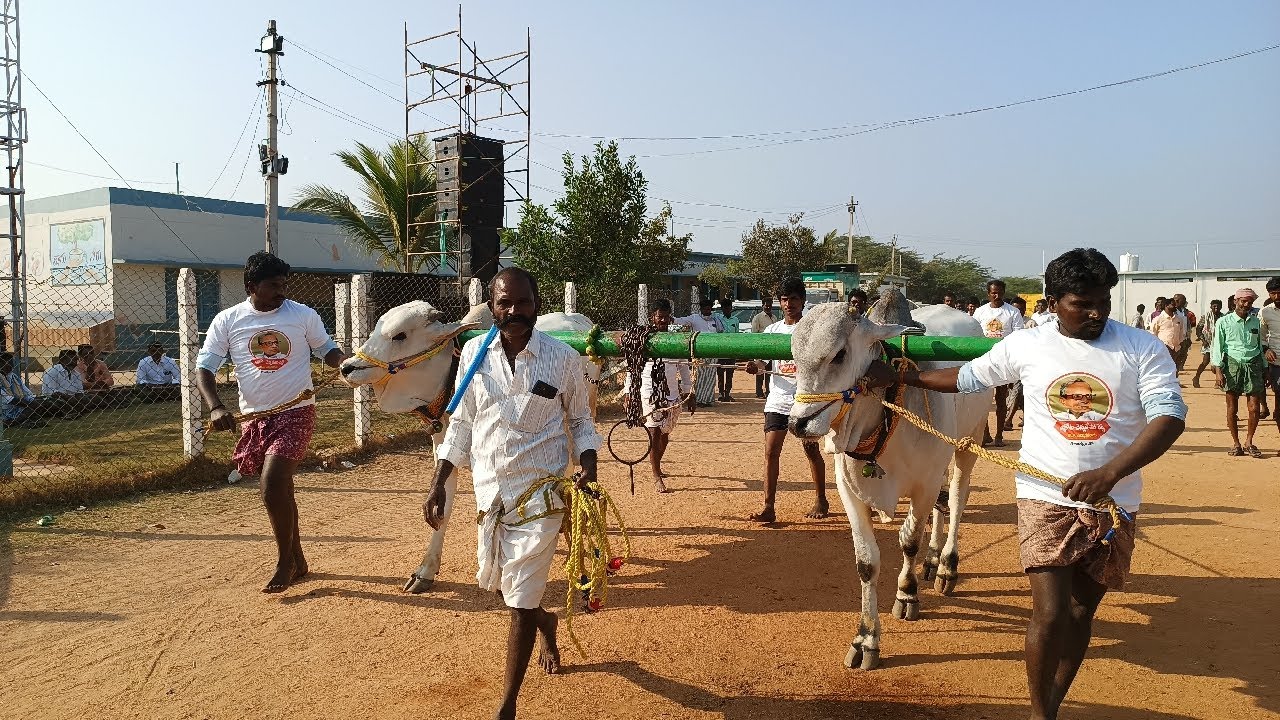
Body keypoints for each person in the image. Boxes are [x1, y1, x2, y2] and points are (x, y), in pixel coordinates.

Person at [865, 247, 1184, 720]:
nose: (1097, 312)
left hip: (1114, 502)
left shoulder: (1141, 348)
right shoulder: (1027, 345)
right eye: (1083, 302)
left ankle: (1050, 706)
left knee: (1079, 614)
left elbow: (1169, 417)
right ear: (1053, 302)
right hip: (1043, 497)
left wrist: (1109, 474)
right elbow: (970, 376)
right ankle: (1040, 713)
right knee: (1051, 613)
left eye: (1103, 300)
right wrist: (905, 377)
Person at [424, 267, 601, 720]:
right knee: (511, 589)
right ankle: (546, 623)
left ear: (537, 303)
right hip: (490, 495)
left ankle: (507, 707)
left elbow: (581, 421)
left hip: (541, 495)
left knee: (518, 602)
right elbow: (460, 422)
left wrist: (588, 466)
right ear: (492, 305)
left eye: (522, 302)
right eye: (505, 303)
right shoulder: (472, 357)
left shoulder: (563, 359)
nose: (514, 312)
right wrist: (439, 481)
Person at [196, 251, 345, 593]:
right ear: (251, 286)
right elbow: (205, 368)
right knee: (282, 489)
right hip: (256, 417)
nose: (282, 291)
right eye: (273, 285)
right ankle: (299, 558)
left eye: (284, 284)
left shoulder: (302, 315)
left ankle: (285, 562)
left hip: (297, 411)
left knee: (272, 483)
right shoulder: (228, 320)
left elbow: (327, 350)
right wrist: (217, 407)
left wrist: (349, 363)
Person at [743, 277, 828, 523]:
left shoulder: (813, 329)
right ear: (779, 302)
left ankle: (821, 498)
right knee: (771, 452)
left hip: (805, 398)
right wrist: (756, 366)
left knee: (811, 450)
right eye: (784, 299)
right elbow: (763, 361)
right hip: (778, 399)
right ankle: (768, 507)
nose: (788, 303)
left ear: (802, 301)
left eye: (793, 299)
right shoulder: (772, 330)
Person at [623, 299, 692, 492]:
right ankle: (655, 475)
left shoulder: (675, 340)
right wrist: (629, 392)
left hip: (671, 393)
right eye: (659, 316)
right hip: (649, 393)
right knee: (653, 432)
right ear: (653, 317)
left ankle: (657, 466)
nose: (662, 320)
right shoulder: (643, 338)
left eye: (665, 316)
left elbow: (683, 367)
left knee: (664, 433)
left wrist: (688, 391)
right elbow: (632, 368)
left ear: (670, 317)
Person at [1210, 288, 1265, 458]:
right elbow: (1217, 347)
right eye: (1243, 301)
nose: (1246, 304)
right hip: (1231, 365)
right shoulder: (1223, 322)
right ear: (1236, 301)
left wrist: (1265, 368)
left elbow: (1260, 347)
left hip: (1254, 364)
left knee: (1254, 407)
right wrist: (1218, 371)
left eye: (1249, 302)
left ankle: (1249, 442)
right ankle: (1236, 443)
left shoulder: (1256, 322)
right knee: (1232, 408)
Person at [972, 279, 1024, 447]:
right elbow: (974, 335)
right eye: (993, 292)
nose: (997, 295)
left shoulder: (1013, 312)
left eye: (1000, 292)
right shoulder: (980, 312)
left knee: (1001, 399)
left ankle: (999, 435)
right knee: (982, 400)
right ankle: (985, 433)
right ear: (988, 294)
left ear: (1004, 292)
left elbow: (1018, 336)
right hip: (983, 360)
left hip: (1003, 361)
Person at [674, 297, 723, 407]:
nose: (707, 311)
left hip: (713, 351)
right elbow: (680, 320)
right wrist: (670, 318)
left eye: (709, 309)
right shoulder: (694, 318)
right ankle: (699, 400)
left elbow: (721, 332)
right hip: (699, 352)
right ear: (701, 309)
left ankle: (708, 400)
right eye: (705, 309)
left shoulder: (716, 320)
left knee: (710, 377)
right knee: (699, 376)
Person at [0, 352, 52, 427]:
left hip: (18, 406)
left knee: (47, 403)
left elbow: (28, 394)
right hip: (5, 411)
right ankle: (12, 423)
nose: (9, 365)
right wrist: (30, 404)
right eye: (5, 362)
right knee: (34, 406)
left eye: (10, 362)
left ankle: (26, 420)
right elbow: (10, 400)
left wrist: (38, 401)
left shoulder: (14, 376)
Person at [1260, 278, 1280, 447]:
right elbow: (1261, 336)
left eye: (1279, 292)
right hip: (1277, 364)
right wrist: (1266, 349)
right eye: (1273, 293)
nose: (1277, 296)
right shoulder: (1265, 312)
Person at [712, 296, 740, 401]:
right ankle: (720, 394)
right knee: (720, 373)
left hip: (731, 351)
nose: (726, 310)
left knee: (729, 374)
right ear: (722, 309)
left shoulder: (735, 320)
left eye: (728, 308)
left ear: (731, 308)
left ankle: (727, 393)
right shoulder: (718, 318)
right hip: (720, 350)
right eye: (724, 308)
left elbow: (737, 334)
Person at [750, 297, 778, 398]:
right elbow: (754, 334)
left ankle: (768, 391)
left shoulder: (774, 318)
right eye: (766, 305)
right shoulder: (757, 318)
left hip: (771, 348)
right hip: (760, 348)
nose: (768, 307)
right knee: (759, 371)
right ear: (763, 305)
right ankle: (759, 392)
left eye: (770, 305)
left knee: (769, 372)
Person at [1192, 299, 1224, 388]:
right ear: (1211, 307)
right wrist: (1203, 340)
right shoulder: (1206, 317)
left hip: (1219, 343)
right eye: (1214, 306)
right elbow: (1198, 329)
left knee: (1219, 362)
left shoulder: (1223, 317)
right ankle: (1196, 377)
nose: (1216, 308)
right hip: (1208, 343)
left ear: (1221, 307)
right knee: (1205, 362)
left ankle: (1218, 381)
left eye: (1218, 306)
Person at [1149, 301, 1187, 365]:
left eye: (1175, 305)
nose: (1175, 306)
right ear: (1166, 306)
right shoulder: (1158, 319)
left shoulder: (1179, 319)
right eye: (1172, 305)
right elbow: (1152, 333)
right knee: (1164, 367)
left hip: (1176, 349)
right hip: (1163, 348)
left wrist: (1179, 344)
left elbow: (1181, 333)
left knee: (1175, 369)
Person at [1171, 294, 1196, 372]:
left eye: (1179, 300)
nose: (1176, 301)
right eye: (1175, 300)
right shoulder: (1172, 312)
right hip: (1174, 340)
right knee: (1173, 360)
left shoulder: (1185, 312)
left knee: (1181, 358)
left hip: (1184, 339)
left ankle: (1176, 378)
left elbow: (1187, 326)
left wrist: (1188, 338)